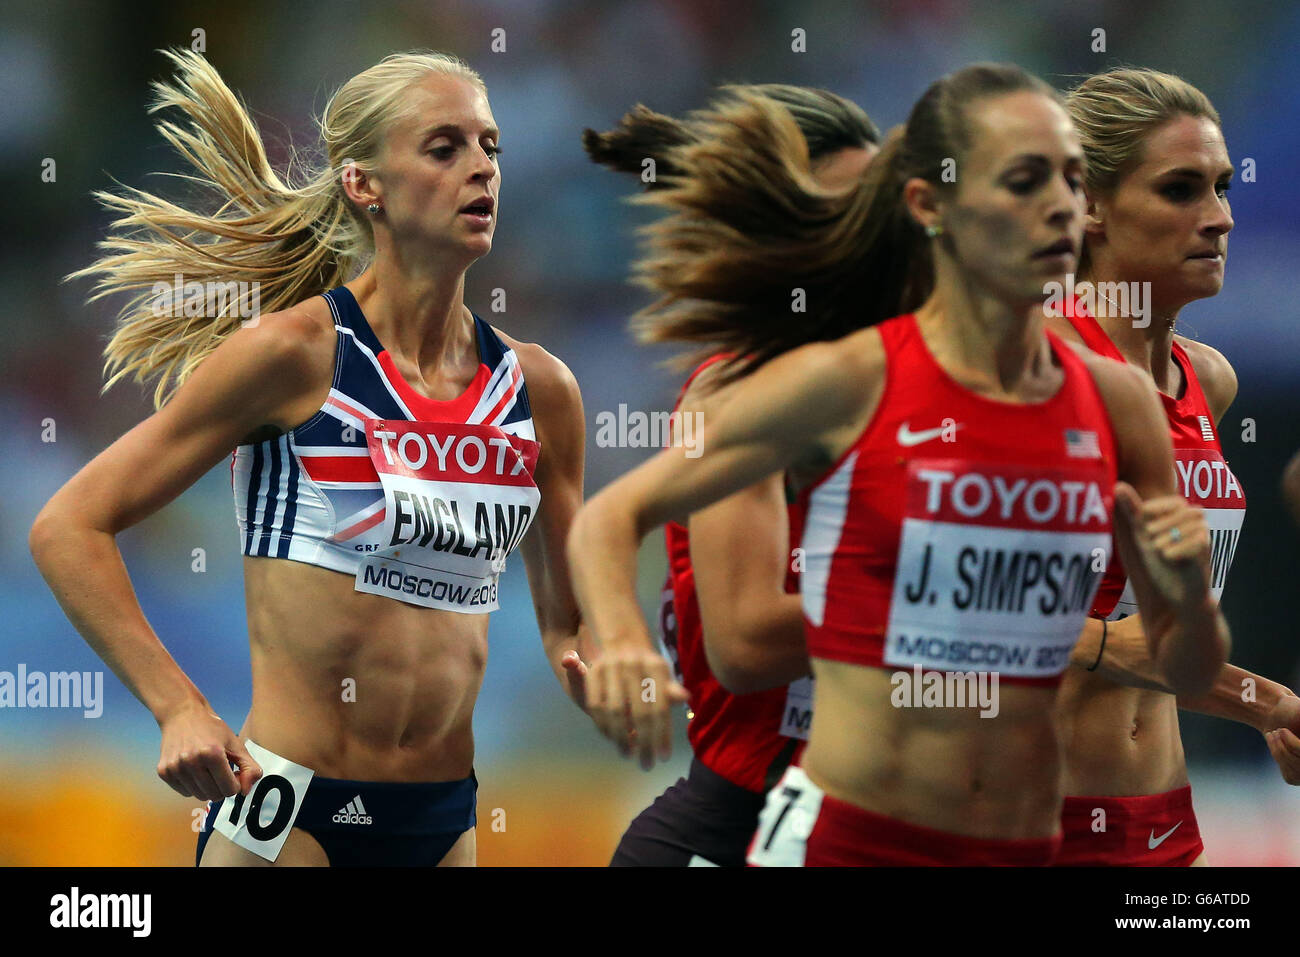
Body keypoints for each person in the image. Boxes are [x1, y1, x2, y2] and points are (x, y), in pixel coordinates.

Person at [566, 62, 1230, 865]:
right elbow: (621, 527)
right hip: (822, 826)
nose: (1061, 205)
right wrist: (623, 637)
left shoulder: (1121, 400)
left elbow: (1181, 659)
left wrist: (1187, 598)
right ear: (932, 210)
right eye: (1024, 180)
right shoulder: (843, 377)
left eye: (1070, 179)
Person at [29, 49, 590, 867]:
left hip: (444, 820)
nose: (482, 169)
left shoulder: (541, 389)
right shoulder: (294, 356)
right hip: (286, 811)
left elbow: (568, 620)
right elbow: (68, 525)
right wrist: (178, 706)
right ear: (365, 185)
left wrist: (600, 662)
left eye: (490, 147)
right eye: (445, 147)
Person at [584, 85, 879, 866]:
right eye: (851, 213)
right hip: (737, 827)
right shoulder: (743, 391)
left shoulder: (908, 376)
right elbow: (745, 639)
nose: (885, 238)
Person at [1048, 68, 1300, 865]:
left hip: (1162, 824)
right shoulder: (1034, 373)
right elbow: (907, 604)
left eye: (1222, 188)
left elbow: (1156, 648)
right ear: (1088, 202)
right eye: (1181, 190)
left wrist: (1270, 705)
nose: (1220, 218)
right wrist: (1091, 643)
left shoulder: (1208, 381)